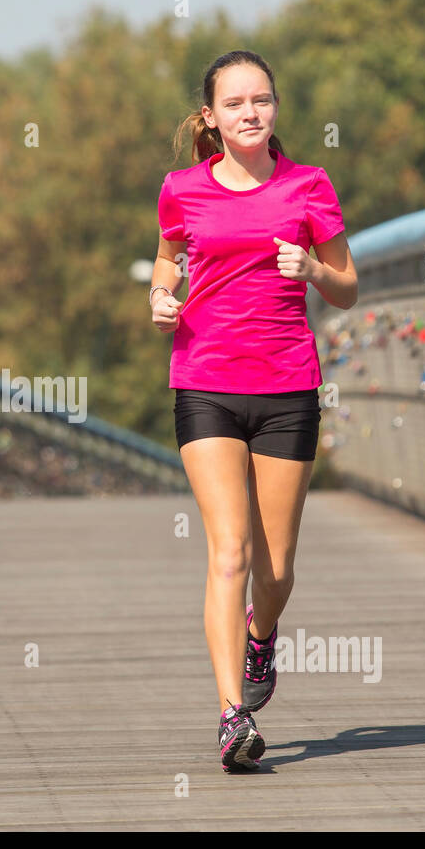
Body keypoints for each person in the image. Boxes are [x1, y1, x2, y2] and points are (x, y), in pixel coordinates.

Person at [150, 50, 358, 773]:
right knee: (229, 551)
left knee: (274, 569)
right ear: (211, 116)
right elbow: (169, 257)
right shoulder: (182, 189)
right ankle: (231, 714)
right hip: (204, 380)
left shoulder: (309, 186)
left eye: (261, 100)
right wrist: (158, 296)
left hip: (287, 388)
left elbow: (349, 287)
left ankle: (262, 635)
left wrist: (314, 270)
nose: (250, 112)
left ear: (274, 110)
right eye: (235, 103)